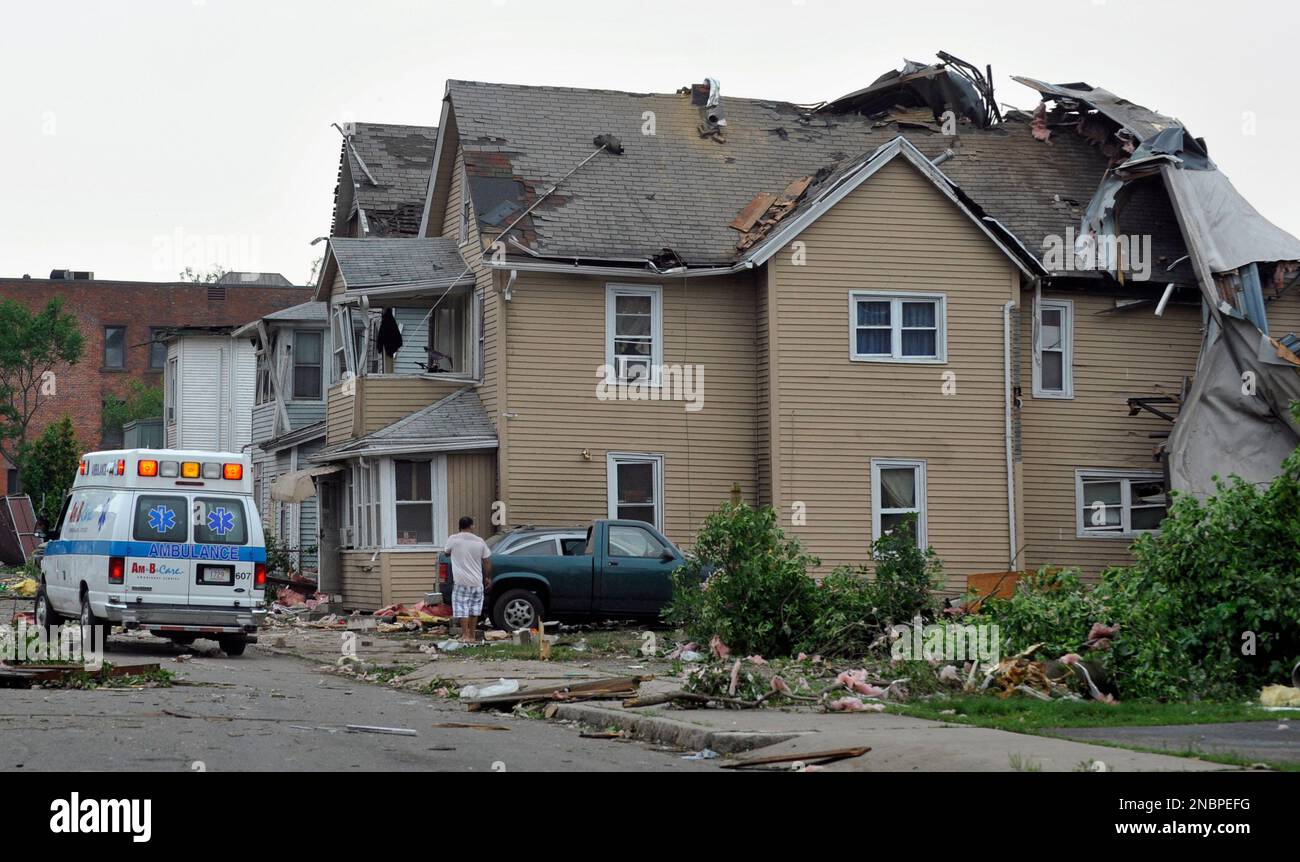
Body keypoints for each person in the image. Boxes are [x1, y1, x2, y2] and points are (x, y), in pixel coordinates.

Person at [444, 516, 492, 643]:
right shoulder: (480, 541)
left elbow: (446, 552)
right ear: (471, 526)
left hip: (461, 581)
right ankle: (472, 635)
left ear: (459, 526)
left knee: (462, 608)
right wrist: (487, 577)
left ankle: (465, 635)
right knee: (474, 609)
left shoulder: (453, 539)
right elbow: (487, 561)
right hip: (477, 582)